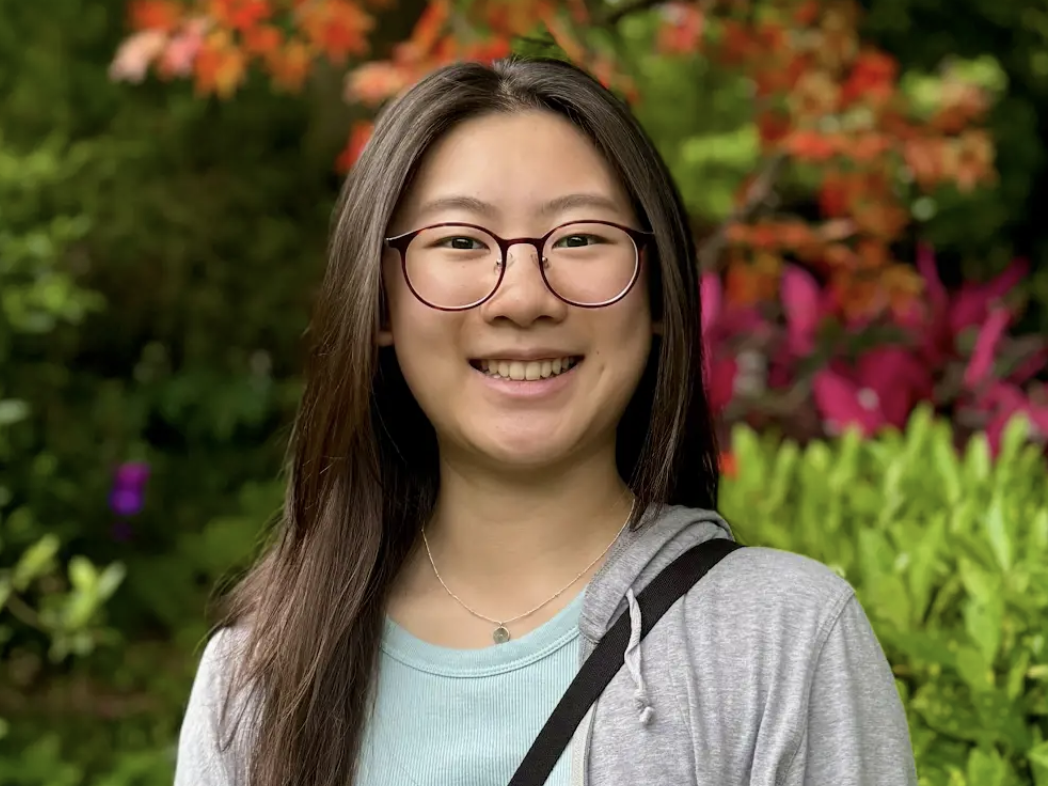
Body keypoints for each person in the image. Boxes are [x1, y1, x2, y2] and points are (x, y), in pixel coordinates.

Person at [174, 56, 917, 786]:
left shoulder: (781, 640)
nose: (523, 298)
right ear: (380, 303)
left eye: (580, 238)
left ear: (659, 295)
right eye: (460, 241)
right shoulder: (257, 685)